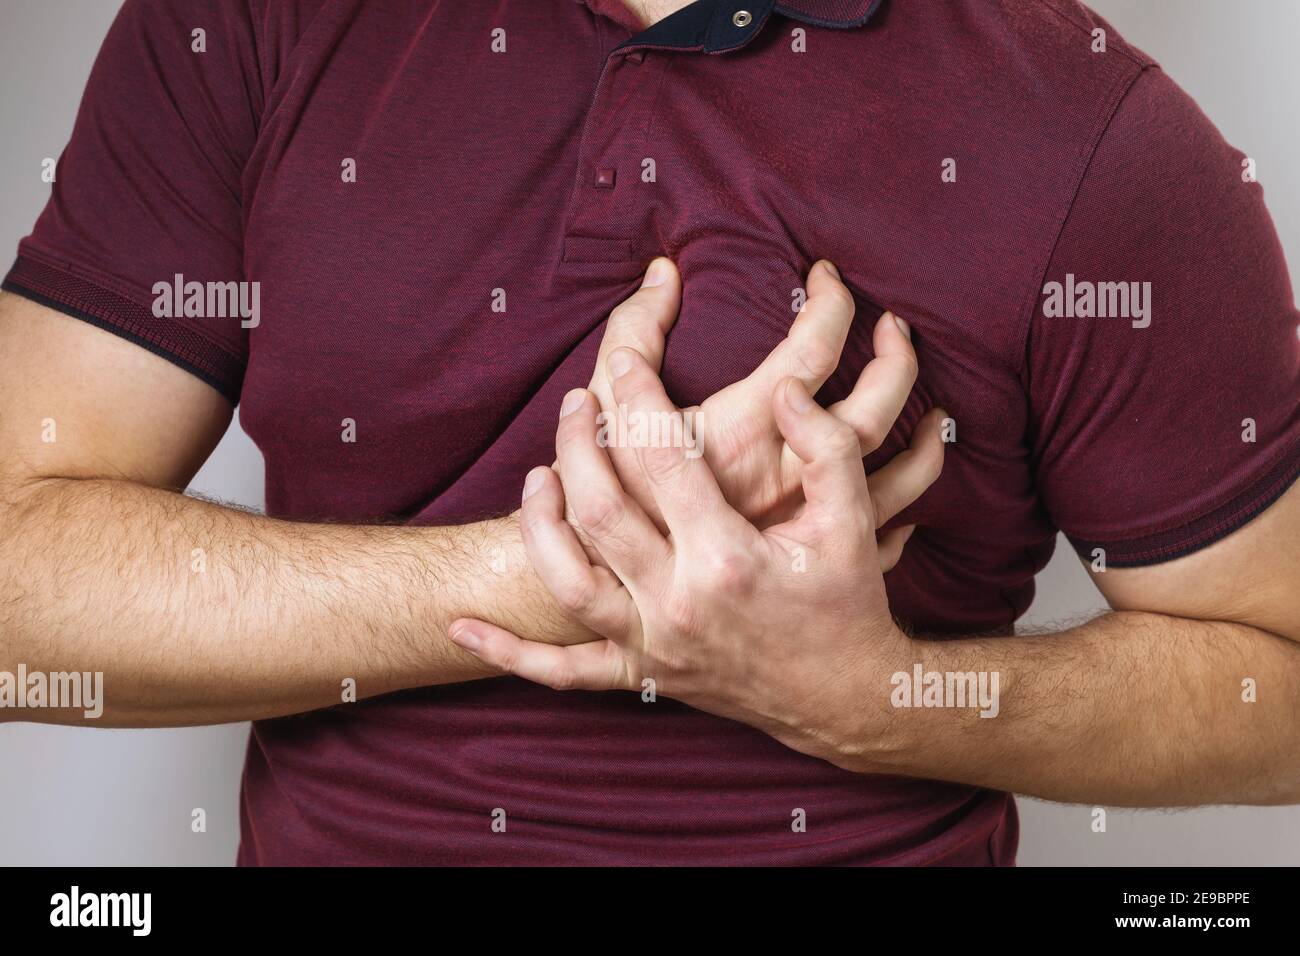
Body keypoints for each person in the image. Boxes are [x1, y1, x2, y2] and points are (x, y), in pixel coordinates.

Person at [1, 0, 1296, 866]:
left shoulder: (1093, 130)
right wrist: (547, 576)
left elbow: (1279, 682)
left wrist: (881, 703)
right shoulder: (247, 21)